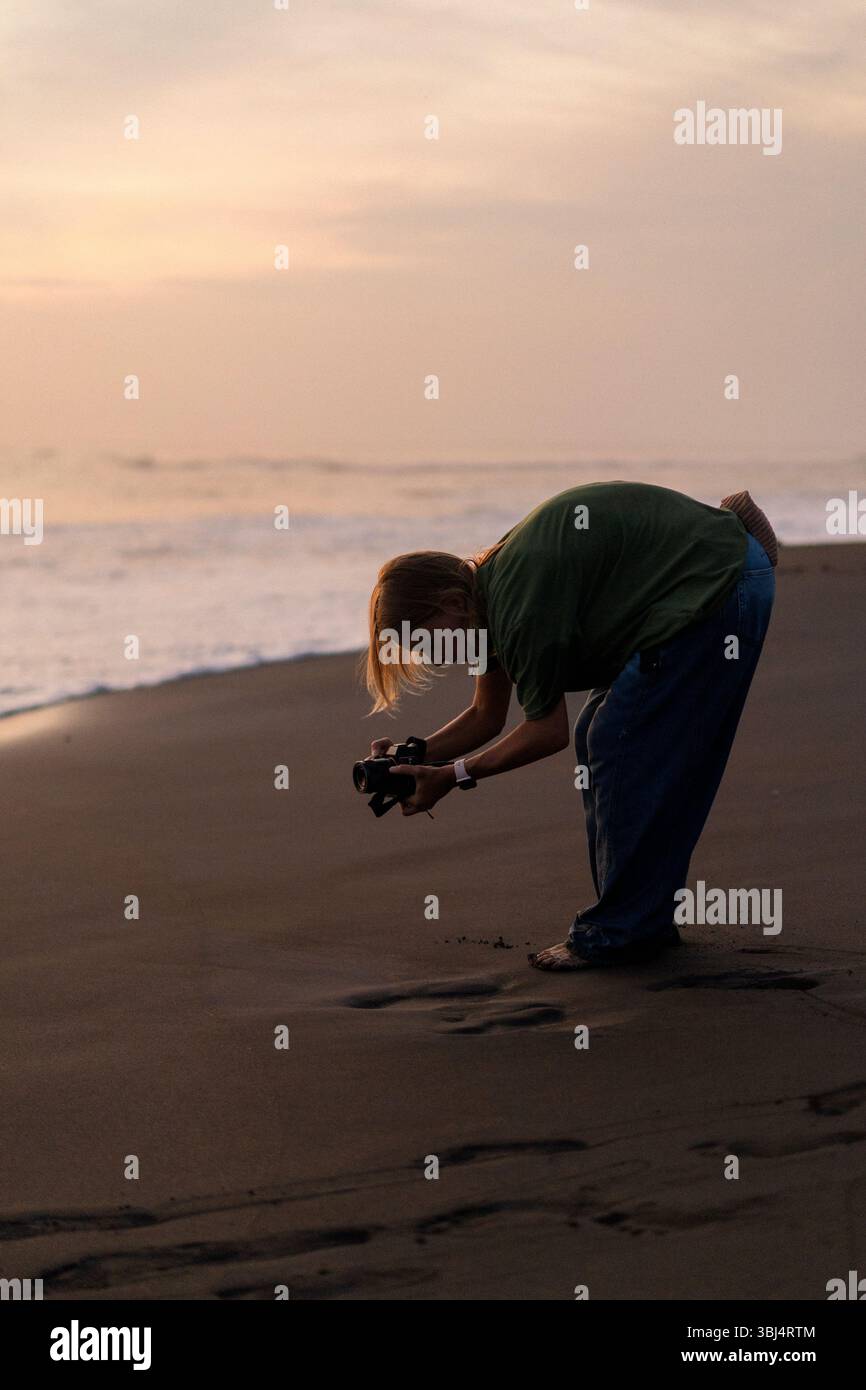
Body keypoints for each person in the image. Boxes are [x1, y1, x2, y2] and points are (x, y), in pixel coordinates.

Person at [364, 481, 776, 970]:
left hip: (719, 583)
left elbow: (545, 732)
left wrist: (453, 777)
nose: (430, 655)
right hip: (716, 575)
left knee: (614, 741)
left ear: (449, 601)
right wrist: (414, 757)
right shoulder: (486, 601)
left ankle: (620, 930)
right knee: (602, 737)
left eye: (424, 640)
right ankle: (639, 920)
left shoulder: (518, 604)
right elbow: (486, 717)